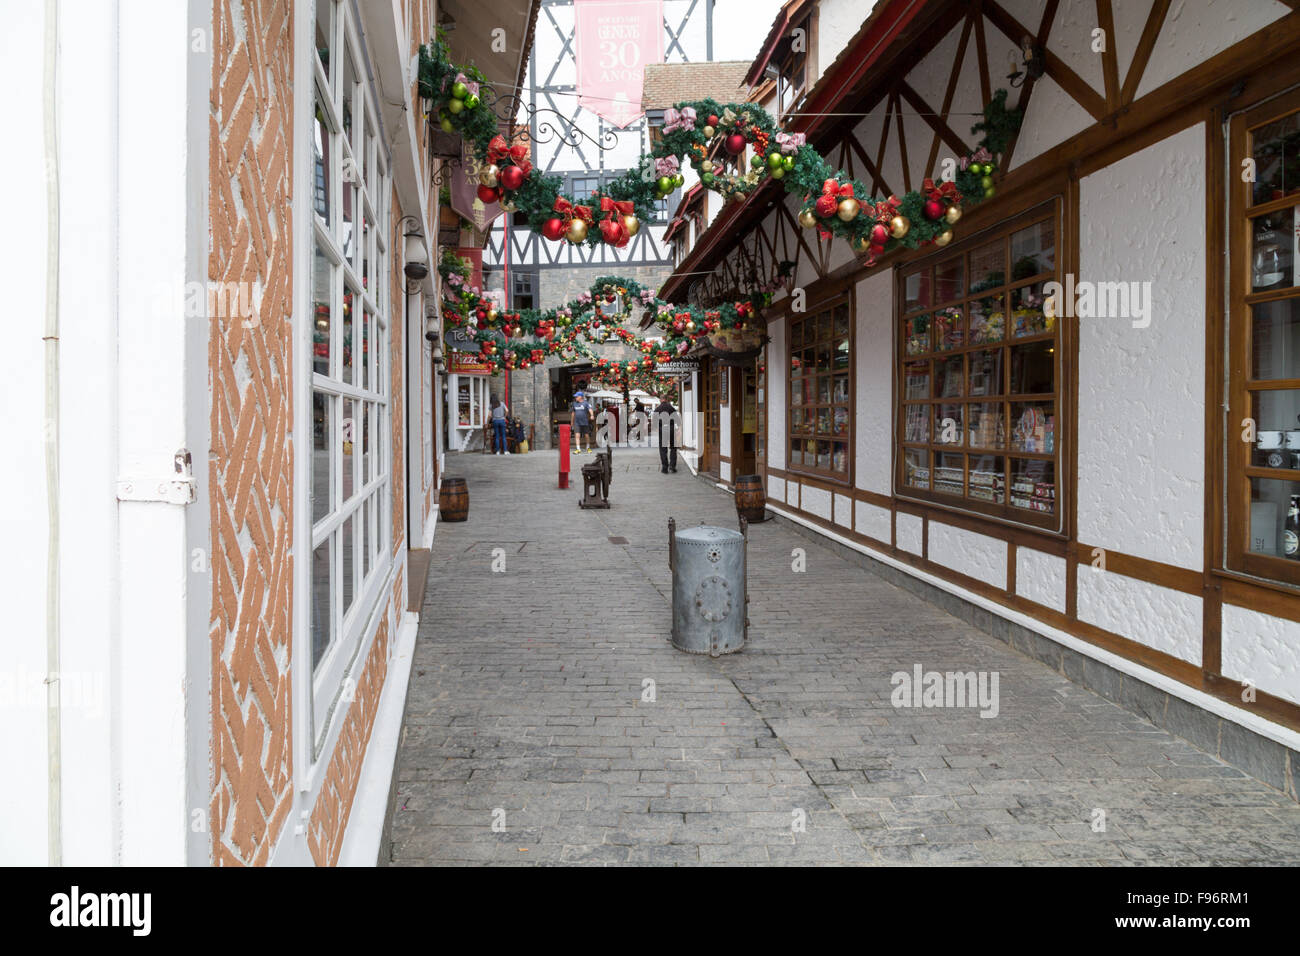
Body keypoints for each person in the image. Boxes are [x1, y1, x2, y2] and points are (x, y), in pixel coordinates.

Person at [655, 394, 678, 474]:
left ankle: (665, 468)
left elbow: (655, 423)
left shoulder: (657, 409)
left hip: (662, 429)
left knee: (663, 449)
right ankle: (672, 467)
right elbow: (677, 420)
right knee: (673, 448)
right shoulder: (671, 408)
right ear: (667, 399)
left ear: (661, 399)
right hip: (671, 429)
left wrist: (658, 430)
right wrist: (678, 430)